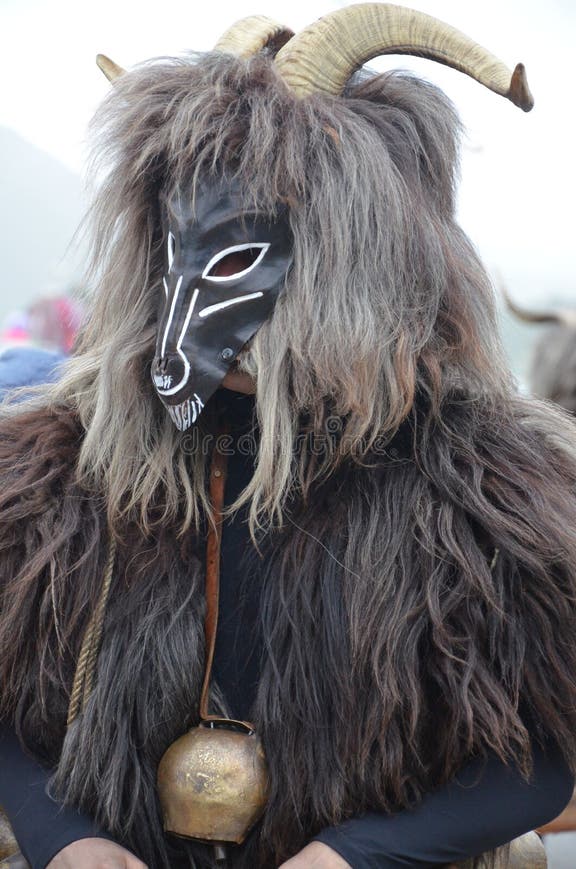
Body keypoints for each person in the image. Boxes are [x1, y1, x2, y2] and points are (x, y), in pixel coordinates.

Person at [1, 6, 576, 869]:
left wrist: (360, 855)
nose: (196, 322)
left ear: (357, 266)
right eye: (179, 258)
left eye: (241, 261)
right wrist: (64, 837)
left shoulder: (478, 496)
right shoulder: (64, 472)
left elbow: (544, 746)